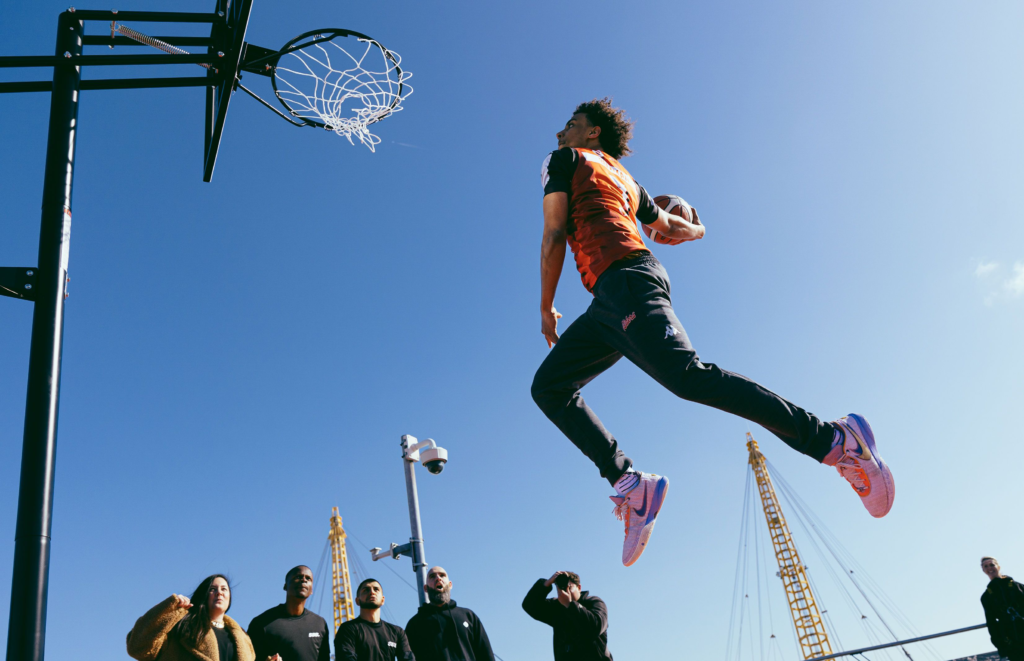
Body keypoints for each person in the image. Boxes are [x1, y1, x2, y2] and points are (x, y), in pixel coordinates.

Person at [530, 97, 896, 566]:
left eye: (571, 124)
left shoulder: (563, 160)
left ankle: (833, 440)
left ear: (593, 132)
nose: (561, 132)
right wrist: (699, 231)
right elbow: (668, 226)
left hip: (625, 279)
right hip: (611, 296)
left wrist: (545, 306)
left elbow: (554, 231)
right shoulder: (626, 180)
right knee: (550, 386)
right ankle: (630, 485)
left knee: (687, 377)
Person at [127, 574, 256, 661]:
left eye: (224, 589)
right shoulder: (182, 624)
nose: (219, 592)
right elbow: (139, 646)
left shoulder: (242, 638)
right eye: (212, 589)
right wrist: (169, 609)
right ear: (204, 594)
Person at [405, 566, 495, 661]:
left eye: (442, 575)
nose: (438, 578)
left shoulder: (468, 616)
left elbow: (486, 654)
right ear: (426, 588)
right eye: (432, 576)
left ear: (450, 584)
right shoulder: (415, 624)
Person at [248, 565, 331, 661]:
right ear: (285, 586)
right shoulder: (261, 623)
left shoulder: (320, 624)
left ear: (311, 590)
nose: (304, 580)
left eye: (308, 578)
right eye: (298, 577)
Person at [522, 571, 611, 661]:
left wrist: (570, 605)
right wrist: (546, 583)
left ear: (579, 588)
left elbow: (595, 627)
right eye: (561, 588)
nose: (565, 591)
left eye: (569, 587)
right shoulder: (557, 608)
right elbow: (529, 605)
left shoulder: (594, 602)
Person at [334, 578, 414, 661]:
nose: (372, 592)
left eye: (376, 589)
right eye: (365, 590)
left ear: (383, 600)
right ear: (357, 601)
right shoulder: (348, 629)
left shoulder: (397, 632)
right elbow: (346, 657)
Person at [981, 557, 1024, 660]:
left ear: (998, 567)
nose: (989, 568)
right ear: (983, 570)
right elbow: (991, 623)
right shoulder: (986, 597)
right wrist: (1001, 646)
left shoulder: (1016, 586)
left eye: (992, 565)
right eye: (985, 566)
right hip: (1011, 639)